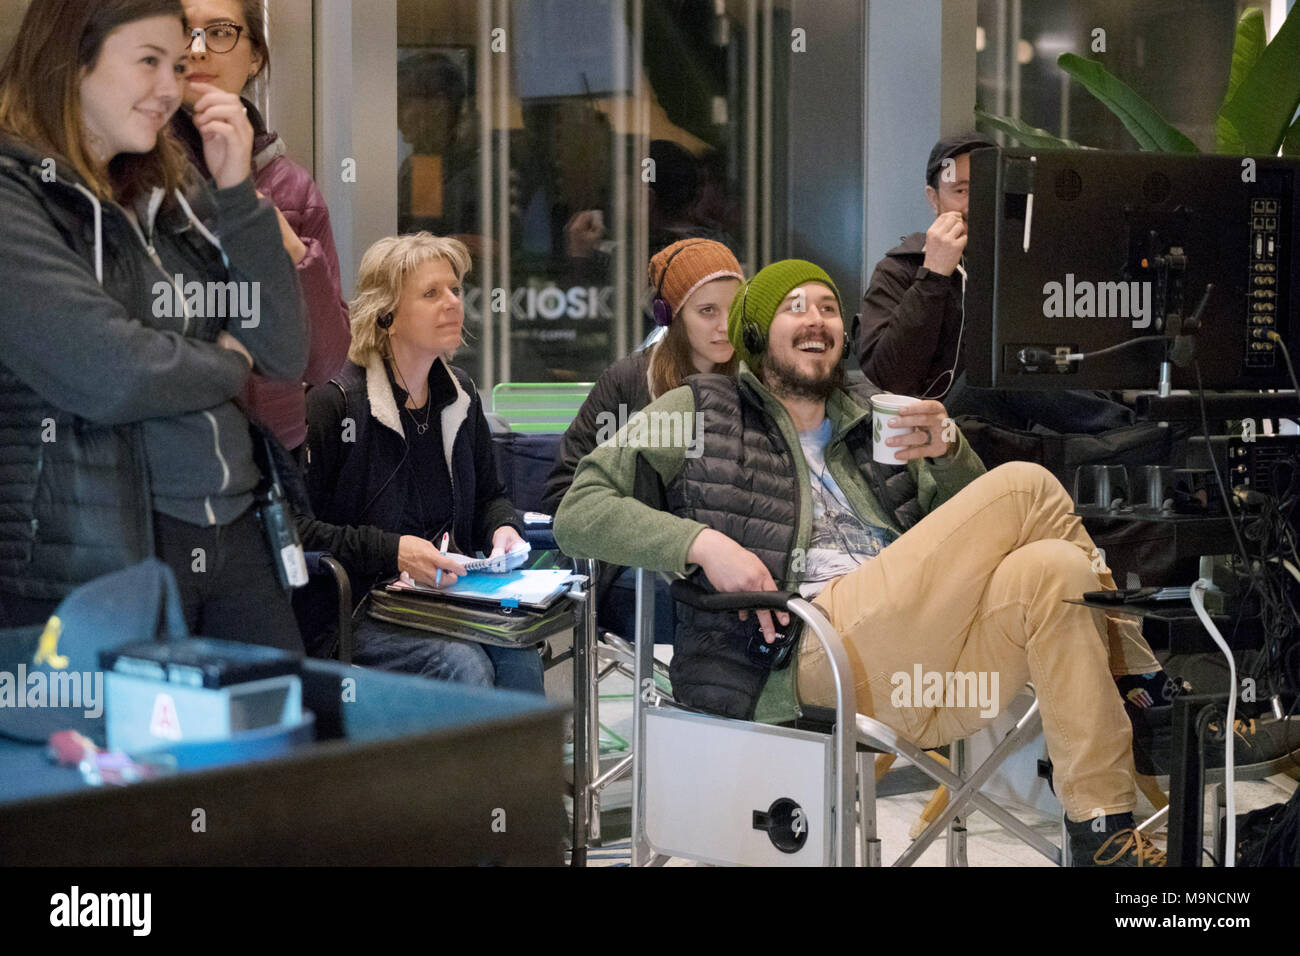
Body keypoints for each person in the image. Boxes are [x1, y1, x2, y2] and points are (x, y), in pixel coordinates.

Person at [556, 258, 1180, 866]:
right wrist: (703, 545)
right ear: (754, 334)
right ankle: (1148, 692)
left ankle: (1102, 832)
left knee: (1056, 569)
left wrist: (950, 451)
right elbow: (577, 511)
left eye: (828, 308)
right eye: (794, 307)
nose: (816, 319)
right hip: (804, 648)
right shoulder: (699, 410)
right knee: (1027, 485)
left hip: (924, 669)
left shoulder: (875, 411)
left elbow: (984, 539)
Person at [0, 0, 307, 647]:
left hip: (238, 531)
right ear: (70, 59)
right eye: (147, 62)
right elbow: (109, 370)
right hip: (104, 553)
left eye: (176, 64)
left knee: (279, 742)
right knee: (137, 751)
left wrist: (237, 194)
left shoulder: (170, 184)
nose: (171, 88)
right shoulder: (16, 191)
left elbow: (282, 347)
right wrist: (227, 361)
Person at [299, 233, 541, 692]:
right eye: (431, 294)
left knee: (517, 654)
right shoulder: (335, 403)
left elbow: (492, 496)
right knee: (465, 666)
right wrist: (393, 551)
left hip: (446, 596)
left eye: (454, 290)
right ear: (385, 314)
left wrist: (503, 528)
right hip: (357, 608)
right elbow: (296, 529)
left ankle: (529, 768)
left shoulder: (460, 393)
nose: (452, 303)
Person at [856, 132, 1134, 434]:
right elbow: (890, 375)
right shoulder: (899, 269)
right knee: (999, 367)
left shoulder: (1036, 267)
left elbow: (1086, 364)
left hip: (1023, 436)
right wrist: (933, 275)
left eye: (988, 188)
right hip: (936, 433)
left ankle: (1131, 434)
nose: (975, 203)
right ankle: (1132, 433)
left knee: (1018, 366)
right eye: (960, 191)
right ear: (934, 199)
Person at [171, 0, 350, 456]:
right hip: (165, 445)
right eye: (182, 31)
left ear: (255, 55)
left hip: (271, 453)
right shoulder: (133, 170)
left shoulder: (292, 188)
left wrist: (293, 252)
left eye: (221, 32)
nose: (198, 50)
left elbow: (326, 360)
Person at [540, 238, 743, 641]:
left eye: (734, 310)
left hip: (734, 552)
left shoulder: (756, 382)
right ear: (670, 315)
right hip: (640, 560)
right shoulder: (628, 381)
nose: (724, 326)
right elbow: (565, 494)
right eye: (707, 311)